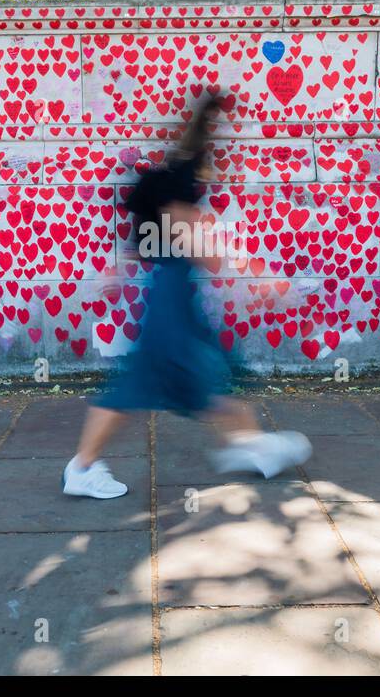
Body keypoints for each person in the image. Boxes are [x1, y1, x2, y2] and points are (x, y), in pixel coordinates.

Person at [62, 94, 312, 499]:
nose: (217, 175)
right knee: (150, 377)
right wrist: (261, 277)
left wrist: (120, 267)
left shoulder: (167, 178)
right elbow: (199, 248)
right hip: (170, 296)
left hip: (173, 292)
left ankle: (251, 444)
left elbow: (143, 240)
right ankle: (82, 467)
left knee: (209, 365)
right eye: (214, 166)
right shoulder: (178, 187)